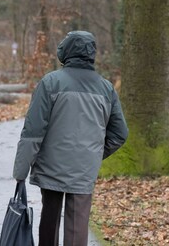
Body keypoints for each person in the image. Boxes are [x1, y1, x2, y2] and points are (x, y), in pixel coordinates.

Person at [13, 30, 128, 246]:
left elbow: (33, 132)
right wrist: (94, 154)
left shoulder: (50, 83)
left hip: (51, 166)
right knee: (78, 225)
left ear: (65, 52)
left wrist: (20, 171)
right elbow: (120, 133)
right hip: (84, 168)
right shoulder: (106, 89)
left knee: (50, 220)